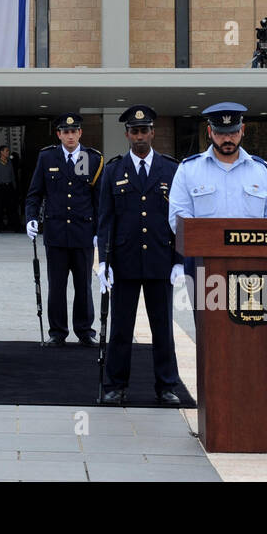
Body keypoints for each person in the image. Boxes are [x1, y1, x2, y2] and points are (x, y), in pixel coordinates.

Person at [96, 105, 182, 405]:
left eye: (144, 130)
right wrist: (103, 262)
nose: (140, 136)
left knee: (163, 329)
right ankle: (116, 385)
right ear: (127, 134)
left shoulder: (171, 170)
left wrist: (180, 261)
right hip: (125, 262)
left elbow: (180, 218)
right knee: (120, 329)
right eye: (134, 131)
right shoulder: (113, 171)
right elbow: (105, 218)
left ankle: (167, 385)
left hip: (161, 261)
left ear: (153, 133)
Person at [167, 102, 267, 283]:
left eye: (233, 132)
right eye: (220, 133)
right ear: (209, 132)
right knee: (206, 312)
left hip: (254, 263)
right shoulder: (188, 169)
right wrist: (216, 240)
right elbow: (178, 219)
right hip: (203, 262)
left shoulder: (261, 170)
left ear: (243, 130)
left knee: (252, 312)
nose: (227, 139)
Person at [25, 113, 104, 347]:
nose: (70, 135)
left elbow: (99, 199)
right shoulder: (47, 156)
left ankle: (84, 331)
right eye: (65, 132)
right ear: (58, 134)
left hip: (83, 234)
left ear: (80, 133)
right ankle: (58, 332)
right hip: (56, 233)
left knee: (83, 286)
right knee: (56, 286)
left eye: (74, 131)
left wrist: (100, 230)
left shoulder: (92, 159)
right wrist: (31, 218)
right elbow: (35, 193)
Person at [0, 145, 18, 231]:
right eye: (6, 151)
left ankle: (11, 225)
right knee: (0, 207)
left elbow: (12, 175)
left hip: (8, 186)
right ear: (1, 152)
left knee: (11, 207)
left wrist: (14, 186)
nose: (7, 152)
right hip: (0, 186)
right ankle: (1, 226)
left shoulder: (9, 162)